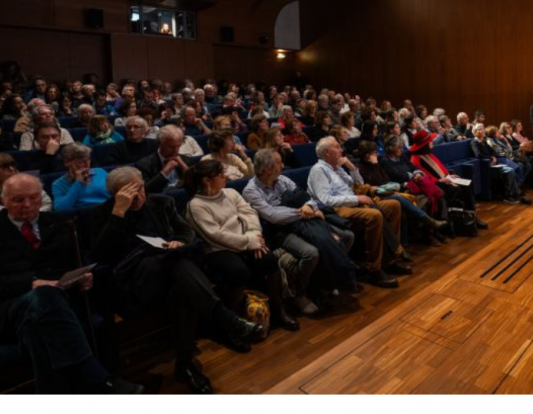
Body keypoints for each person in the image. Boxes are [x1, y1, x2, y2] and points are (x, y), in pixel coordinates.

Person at [92, 167, 264, 394]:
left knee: (182, 283)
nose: (138, 196)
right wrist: (118, 213)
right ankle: (227, 320)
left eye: (141, 188)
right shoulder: (103, 214)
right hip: (135, 283)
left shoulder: (161, 202)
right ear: (116, 194)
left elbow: (185, 231)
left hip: (172, 274)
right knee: (179, 266)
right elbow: (101, 256)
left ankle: (185, 365)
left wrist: (178, 242)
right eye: (129, 192)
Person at [0, 173, 143, 393]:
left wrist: (83, 275)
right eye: (18, 200)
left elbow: (76, 261)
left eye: (34, 198)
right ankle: (98, 378)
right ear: (4, 200)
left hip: (61, 301)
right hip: (12, 304)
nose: (27, 205)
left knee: (35, 330)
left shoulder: (60, 222)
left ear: (41, 198)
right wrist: (32, 283)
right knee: (43, 296)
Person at [183, 160, 299, 330]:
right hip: (218, 250)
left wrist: (254, 237)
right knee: (238, 271)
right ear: (207, 180)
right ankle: (235, 323)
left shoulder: (230, 193)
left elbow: (249, 213)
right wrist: (249, 242)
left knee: (269, 259)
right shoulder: (196, 205)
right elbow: (215, 235)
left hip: (247, 241)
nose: (225, 177)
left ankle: (277, 308)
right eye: (220, 174)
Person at [244, 149, 360, 311]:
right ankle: (300, 295)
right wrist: (303, 212)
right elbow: (273, 216)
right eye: (278, 162)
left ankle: (325, 281)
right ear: (267, 169)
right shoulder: (251, 190)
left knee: (346, 236)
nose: (283, 165)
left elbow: (307, 198)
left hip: (303, 222)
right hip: (279, 231)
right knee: (311, 253)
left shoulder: (283, 179)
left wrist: (308, 207)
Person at [308, 136, 406, 288]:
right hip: (336, 210)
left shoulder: (337, 167)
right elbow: (326, 200)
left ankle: (388, 259)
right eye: (337, 147)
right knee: (374, 215)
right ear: (327, 152)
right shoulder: (318, 171)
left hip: (352, 203)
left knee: (394, 205)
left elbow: (359, 184)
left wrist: (351, 167)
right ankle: (373, 269)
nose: (341, 149)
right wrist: (357, 200)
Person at [357, 140, 447, 244]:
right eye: (374, 153)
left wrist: (416, 174)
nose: (377, 154)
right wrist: (410, 178)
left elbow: (387, 179)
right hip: (378, 195)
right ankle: (427, 226)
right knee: (419, 200)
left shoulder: (396, 159)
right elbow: (371, 184)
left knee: (435, 194)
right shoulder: (364, 167)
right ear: (368, 155)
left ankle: (435, 231)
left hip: (392, 190)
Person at [408, 130, 489, 229]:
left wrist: (450, 176)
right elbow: (424, 177)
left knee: (468, 185)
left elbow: (441, 168)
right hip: (434, 184)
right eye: (430, 141)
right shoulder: (415, 159)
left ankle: (472, 217)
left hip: (444, 179)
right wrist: (441, 181)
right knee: (456, 189)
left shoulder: (429, 154)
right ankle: (458, 222)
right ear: (425, 144)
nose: (432, 142)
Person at [469, 123, 531, 204]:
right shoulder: (474, 142)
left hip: (493, 163)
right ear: (475, 132)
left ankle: (514, 193)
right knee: (509, 171)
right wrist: (491, 158)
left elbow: (493, 151)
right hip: (486, 166)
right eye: (479, 129)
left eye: (482, 128)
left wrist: (493, 156)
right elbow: (478, 155)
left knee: (512, 169)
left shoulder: (484, 141)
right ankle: (508, 196)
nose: (482, 130)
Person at [52, 144, 111, 211]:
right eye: (80, 162)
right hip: (84, 215)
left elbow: (115, 194)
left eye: (88, 160)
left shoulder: (100, 172)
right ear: (67, 162)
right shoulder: (58, 184)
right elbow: (60, 209)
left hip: (107, 210)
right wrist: (78, 183)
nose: (87, 165)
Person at [135, 124, 190, 193]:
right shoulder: (144, 164)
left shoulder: (184, 159)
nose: (176, 151)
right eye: (171, 147)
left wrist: (183, 166)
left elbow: (197, 184)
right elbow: (147, 190)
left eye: (178, 146)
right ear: (159, 144)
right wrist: (165, 171)